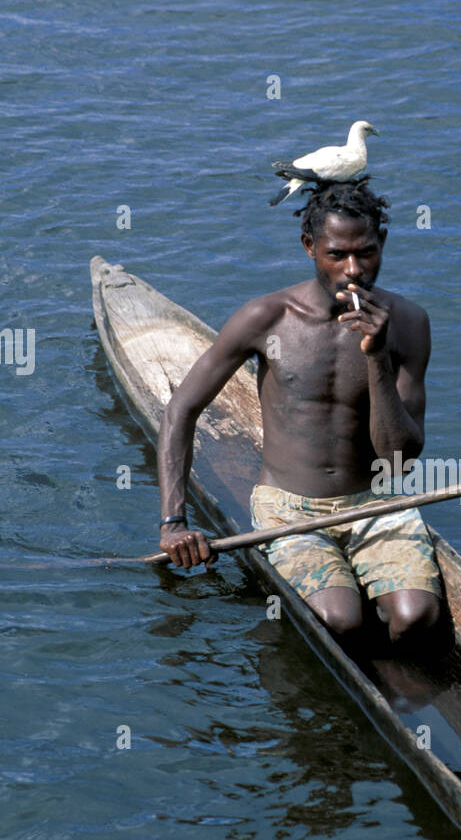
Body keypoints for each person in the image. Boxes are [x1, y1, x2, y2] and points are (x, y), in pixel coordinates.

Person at [156, 179, 442, 646]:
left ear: (382, 243)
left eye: (366, 253)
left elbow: (399, 459)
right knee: (339, 620)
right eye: (336, 255)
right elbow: (181, 410)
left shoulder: (408, 323)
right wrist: (174, 523)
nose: (353, 270)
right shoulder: (266, 318)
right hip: (290, 509)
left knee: (415, 617)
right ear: (310, 247)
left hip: (375, 500)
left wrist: (376, 357)